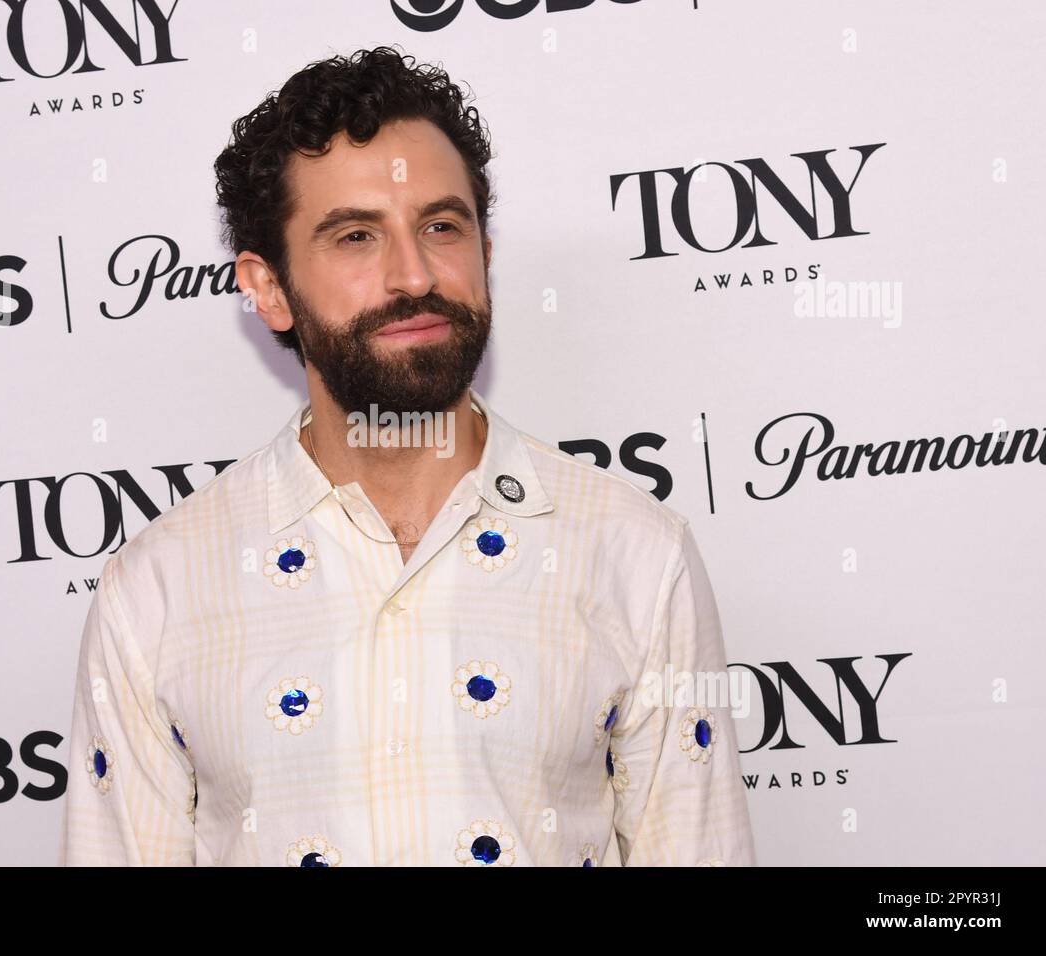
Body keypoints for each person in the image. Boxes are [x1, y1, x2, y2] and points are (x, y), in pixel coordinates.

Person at [59, 46, 756, 867]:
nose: (414, 273)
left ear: (485, 252)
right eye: (355, 236)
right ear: (269, 288)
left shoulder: (636, 554)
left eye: (440, 226)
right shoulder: (158, 589)